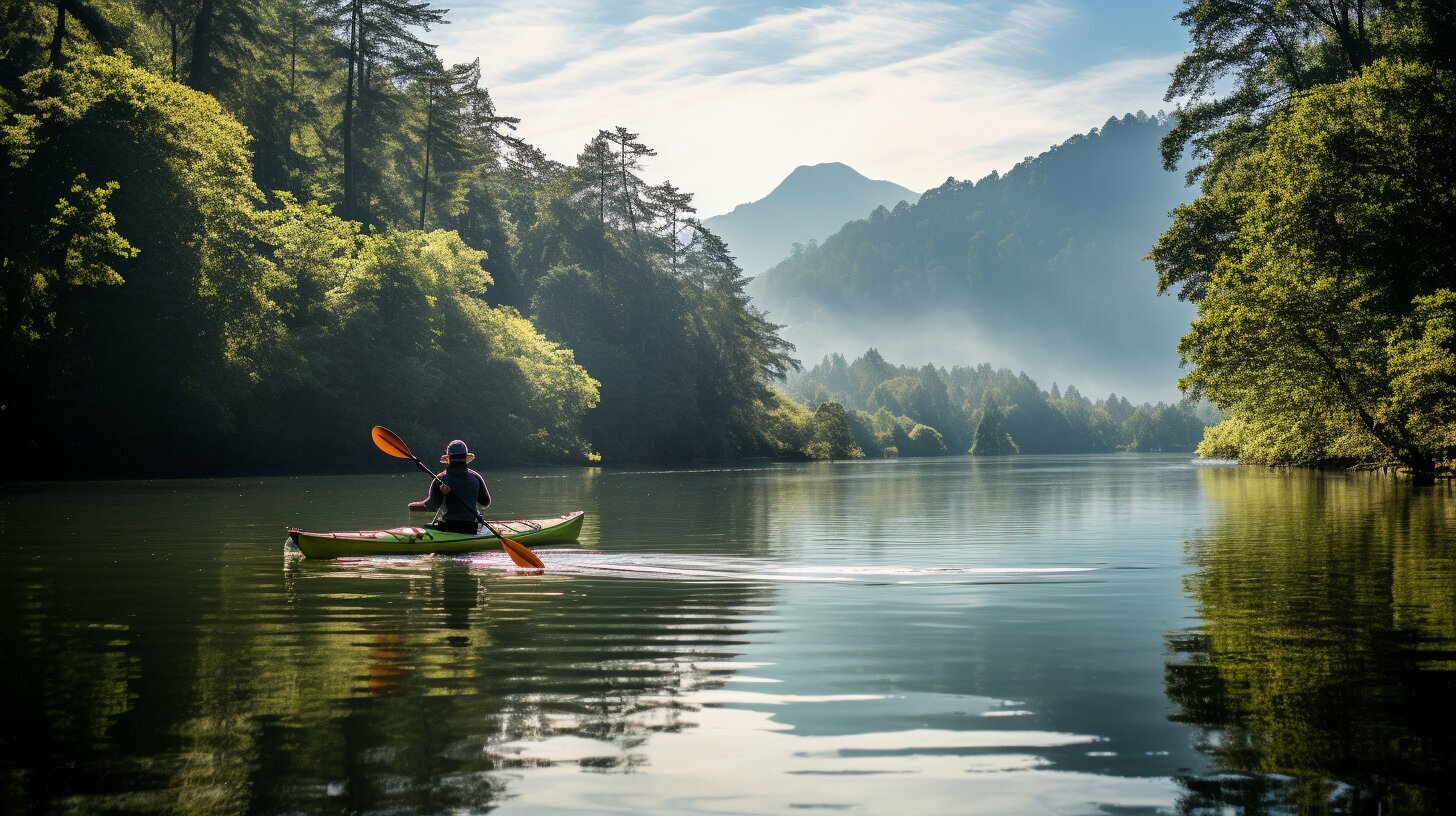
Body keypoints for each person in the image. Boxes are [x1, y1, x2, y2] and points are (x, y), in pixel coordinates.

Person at [408, 439, 491, 534]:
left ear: (448, 459)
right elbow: (485, 504)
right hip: (471, 528)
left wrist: (413, 506)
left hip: (447, 528)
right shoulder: (476, 477)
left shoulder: (441, 479)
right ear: (465, 458)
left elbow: (431, 506)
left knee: (429, 525)